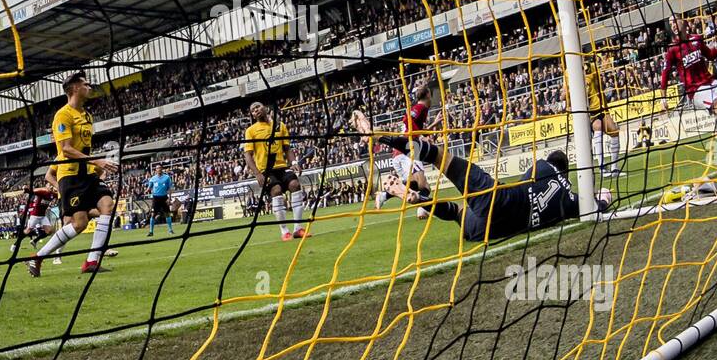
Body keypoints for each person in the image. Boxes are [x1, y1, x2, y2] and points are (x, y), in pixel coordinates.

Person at [350, 109, 608, 241]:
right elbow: (598, 204)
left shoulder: (542, 166)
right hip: (494, 232)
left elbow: (526, 182)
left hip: (501, 200)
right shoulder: (573, 202)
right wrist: (603, 197)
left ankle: (378, 135)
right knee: (456, 213)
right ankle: (421, 200)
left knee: (438, 156)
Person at [28, 73, 120, 276]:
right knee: (79, 224)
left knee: (108, 206)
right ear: (75, 88)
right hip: (70, 175)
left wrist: (96, 166)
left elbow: (83, 149)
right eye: (86, 84)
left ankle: (92, 261)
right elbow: (66, 149)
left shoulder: (87, 116)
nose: (90, 87)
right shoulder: (63, 115)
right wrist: (96, 160)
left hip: (87, 173)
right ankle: (38, 257)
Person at [660, 16, 717, 157]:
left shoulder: (697, 39)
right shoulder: (672, 49)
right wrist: (663, 99)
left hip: (709, 81)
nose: (673, 25)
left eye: (675, 21)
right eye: (670, 23)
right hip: (695, 90)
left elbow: (710, 55)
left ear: (683, 22)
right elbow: (665, 73)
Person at [242, 101, 308, 240]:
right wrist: (257, 173)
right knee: (276, 190)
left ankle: (298, 229)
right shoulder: (251, 131)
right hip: (265, 170)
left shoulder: (279, 126)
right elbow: (247, 155)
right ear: (253, 115)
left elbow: (287, 148)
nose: (256, 110)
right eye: (253, 110)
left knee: (295, 185)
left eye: (258, 107)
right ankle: (284, 232)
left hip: (282, 167)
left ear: (265, 108)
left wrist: (294, 162)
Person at [374, 79, 435, 209]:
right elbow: (407, 120)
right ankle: (421, 209)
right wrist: (422, 136)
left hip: (401, 152)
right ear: (428, 95)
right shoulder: (419, 107)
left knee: (419, 186)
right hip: (407, 151)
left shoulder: (420, 110)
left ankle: (384, 196)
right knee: (422, 185)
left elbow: (413, 130)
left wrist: (433, 125)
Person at [145, 162, 175, 237]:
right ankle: (151, 231)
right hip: (156, 198)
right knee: (153, 214)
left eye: (159, 168)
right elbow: (149, 187)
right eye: (157, 168)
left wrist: (169, 198)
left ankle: (170, 230)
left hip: (164, 197)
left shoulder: (167, 177)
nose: (158, 169)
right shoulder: (152, 178)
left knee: (167, 214)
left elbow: (170, 188)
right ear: (155, 170)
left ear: (162, 169)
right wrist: (146, 190)